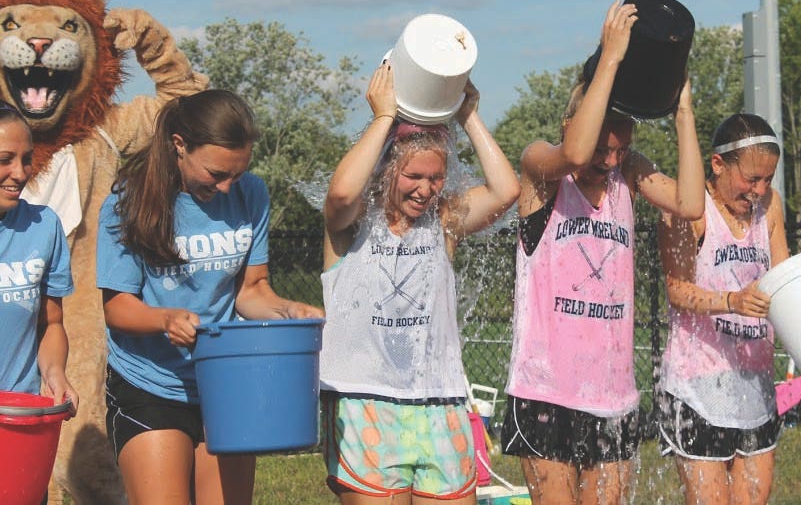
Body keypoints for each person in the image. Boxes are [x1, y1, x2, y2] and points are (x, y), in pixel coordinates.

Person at [501, 0, 705, 505]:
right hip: (546, 390)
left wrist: (683, 113)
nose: (610, 160)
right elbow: (573, 153)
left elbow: (691, 203)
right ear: (571, 124)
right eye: (602, 149)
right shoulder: (541, 170)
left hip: (613, 393)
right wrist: (610, 59)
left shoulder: (626, 176)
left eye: (621, 150)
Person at [96, 89, 323, 505]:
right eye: (216, 173)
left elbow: (251, 291)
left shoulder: (251, 194)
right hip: (150, 384)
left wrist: (288, 310)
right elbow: (117, 307)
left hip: (226, 382)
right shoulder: (127, 202)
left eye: (237, 173)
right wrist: (165, 320)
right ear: (179, 145)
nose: (226, 187)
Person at [320, 61, 520, 503]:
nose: (426, 190)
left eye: (436, 178)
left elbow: (506, 192)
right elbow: (341, 193)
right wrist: (384, 117)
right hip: (365, 401)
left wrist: (468, 116)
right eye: (413, 176)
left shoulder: (443, 222)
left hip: (440, 401)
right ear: (386, 170)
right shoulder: (351, 225)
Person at [656, 113, 788, 505]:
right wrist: (732, 301)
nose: (759, 190)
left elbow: (783, 277)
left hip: (754, 382)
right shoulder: (689, 210)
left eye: (767, 179)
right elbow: (677, 290)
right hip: (697, 385)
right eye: (751, 178)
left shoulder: (771, 207)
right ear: (718, 164)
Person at [0, 107, 79, 410]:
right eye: (5, 160)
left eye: (27, 159)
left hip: (20, 413)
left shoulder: (44, 226)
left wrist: (54, 372)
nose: (20, 173)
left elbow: (51, 322)